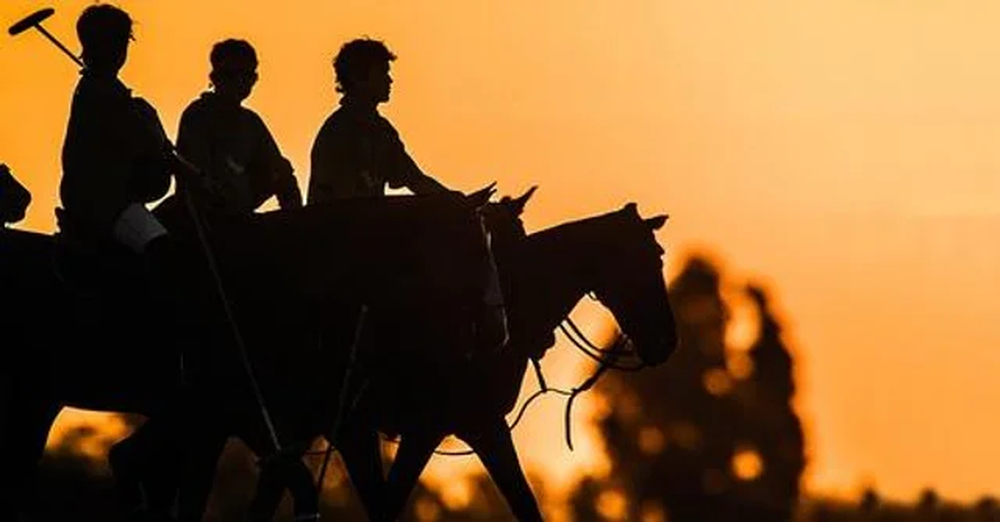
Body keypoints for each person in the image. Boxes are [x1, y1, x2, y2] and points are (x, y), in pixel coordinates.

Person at [57, 5, 209, 519]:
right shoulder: (100, 94)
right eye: (111, 41)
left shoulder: (114, 95)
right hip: (102, 206)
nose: (117, 50)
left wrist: (144, 119)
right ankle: (166, 351)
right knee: (166, 254)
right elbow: (143, 150)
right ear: (93, 46)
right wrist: (152, 131)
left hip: (116, 200)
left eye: (121, 41)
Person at [307, 38, 450, 203]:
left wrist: (458, 201)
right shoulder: (337, 132)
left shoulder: (382, 131)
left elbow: (415, 180)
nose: (389, 80)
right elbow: (338, 201)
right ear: (358, 77)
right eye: (382, 72)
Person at [176, 38, 302, 215]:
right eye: (231, 75)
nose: (239, 81)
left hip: (240, 215)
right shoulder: (198, 116)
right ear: (215, 77)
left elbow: (280, 172)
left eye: (247, 75)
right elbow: (194, 178)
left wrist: (294, 219)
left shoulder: (251, 123)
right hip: (203, 218)